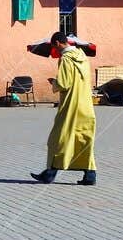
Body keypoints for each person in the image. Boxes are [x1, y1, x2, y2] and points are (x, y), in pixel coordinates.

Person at [31, 32, 96, 186]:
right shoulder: (83, 57)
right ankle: (90, 175)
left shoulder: (66, 59)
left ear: (58, 43)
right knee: (83, 140)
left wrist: (54, 82)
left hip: (70, 104)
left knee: (58, 139)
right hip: (85, 105)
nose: (55, 50)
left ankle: (50, 173)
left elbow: (64, 83)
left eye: (55, 47)